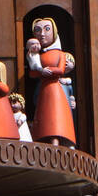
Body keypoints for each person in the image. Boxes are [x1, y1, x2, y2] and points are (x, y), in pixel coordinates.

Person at [26, 16, 75, 146]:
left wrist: (48, 71)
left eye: (47, 29)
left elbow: (61, 70)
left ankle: (57, 141)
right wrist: (40, 71)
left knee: (56, 116)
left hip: (55, 89)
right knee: (45, 117)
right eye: (38, 30)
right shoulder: (37, 56)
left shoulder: (60, 54)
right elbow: (32, 73)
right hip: (44, 90)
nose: (42, 34)